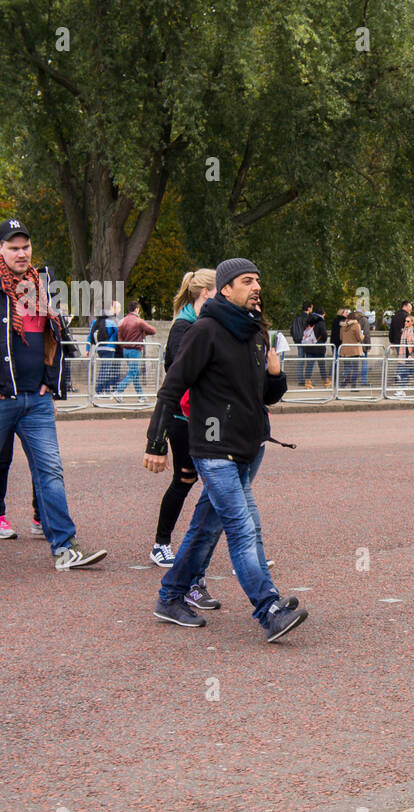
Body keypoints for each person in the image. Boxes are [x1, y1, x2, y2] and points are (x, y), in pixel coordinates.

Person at [144, 257, 305, 642]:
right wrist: (156, 442)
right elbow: (171, 387)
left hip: (249, 447)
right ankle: (269, 609)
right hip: (213, 448)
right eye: (248, 281)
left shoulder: (256, 333)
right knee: (243, 528)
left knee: (205, 528)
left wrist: (275, 373)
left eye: (258, 282)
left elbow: (265, 396)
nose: (256, 288)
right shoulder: (205, 331)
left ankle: (170, 596)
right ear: (226, 288)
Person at [0, 218, 106, 570]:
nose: (21, 253)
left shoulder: (38, 284)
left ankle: (65, 548)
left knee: (50, 470)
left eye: (26, 246)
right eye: (13, 247)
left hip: (36, 398)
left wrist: (51, 380)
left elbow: (53, 336)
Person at [148, 268, 215, 569]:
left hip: (205, 416)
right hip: (183, 417)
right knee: (187, 478)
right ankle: (161, 543)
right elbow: (177, 379)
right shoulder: (184, 327)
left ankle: (243, 545)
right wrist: (156, 441)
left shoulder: (204, 323)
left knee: (222, 479)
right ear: (206, 292)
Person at [114, 303, 156, 398]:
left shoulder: (122, 321)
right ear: (137, 309)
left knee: (135, 372)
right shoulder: (138, 321)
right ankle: (118, 391)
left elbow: (119, 337)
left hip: (125, 350)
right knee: (133, 372)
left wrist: (123, 346)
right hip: (135, 349)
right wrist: (143, 333)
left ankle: (140, 395)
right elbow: (153, 330)